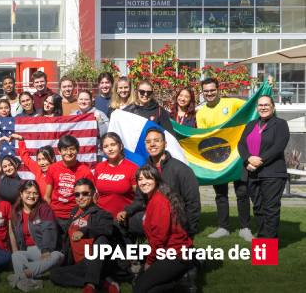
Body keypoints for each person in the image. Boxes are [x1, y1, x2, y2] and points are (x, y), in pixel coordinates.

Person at [118, 128, 200, 239]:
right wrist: (126, 211)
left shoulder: (182, 170)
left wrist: (188, 233)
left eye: (156, 140)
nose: (152, 144)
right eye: (148, 142)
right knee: (117, 225)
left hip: (175, 222)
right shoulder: (144, 170)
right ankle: (132, 255)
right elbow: (139, 199)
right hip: (151, 218)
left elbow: (193, 204)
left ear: (165, 144)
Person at [199, 77, 252, 240]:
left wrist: (266, 88)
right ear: (202, 92)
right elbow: (205, 137)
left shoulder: (232, 103)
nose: (209, 93)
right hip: (217, 158)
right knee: (220, 194)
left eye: (212, 90)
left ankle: (245, 228)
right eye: (206, 91)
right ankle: (224, 227)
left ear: (218, 90)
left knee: (242, 192)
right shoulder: (201, 113)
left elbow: (253, 107)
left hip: (237, 156)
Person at [132, 165, 196, 293]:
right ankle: (180, 278)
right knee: (139, 285)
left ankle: (182, 278)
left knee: (139, 290)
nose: (143, 182)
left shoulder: (159, 202)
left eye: (148, 178)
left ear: (156, 179)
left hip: (175, 256)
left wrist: (149, 263)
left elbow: (159, 238)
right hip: (165, 253)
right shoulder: (152, 198)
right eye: (140, 179)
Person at [49, 179, 120, 293]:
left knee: (102, 239)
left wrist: (85, 231)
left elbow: (107, 229)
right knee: (54, 274)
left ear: (93, 194)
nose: (80, 197)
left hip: (96, 262)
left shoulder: (103, 214)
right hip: (80, 265)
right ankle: (103, 284)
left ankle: (91, 285)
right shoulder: (75, 210)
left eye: (85, 193)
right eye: (77, 194)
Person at [238, 94, 290, 239]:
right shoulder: (251, 124)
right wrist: (249, 158)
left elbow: (278, 147)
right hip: (252, 173)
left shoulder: (280, 124)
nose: (263, 107)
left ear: (273, 107)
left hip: (272, 173)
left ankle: (267, 249)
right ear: (257, 108)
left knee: (270, 210)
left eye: (266, 104)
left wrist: (258, 161)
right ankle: (262, 243)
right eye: (260, 105)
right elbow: (241, 145)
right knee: (258, 209)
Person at [8, 180, 64, 292]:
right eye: (28, 192)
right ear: (21, 193)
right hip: (30, 251)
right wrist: (15, 250)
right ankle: (31, 283)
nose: (31, 196)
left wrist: (46, 250)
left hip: (50, 250)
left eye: (35, 193)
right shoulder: (16, 211)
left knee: (57, 256)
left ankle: (20, 276)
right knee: (16, 255)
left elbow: (49, 229)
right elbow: (12, 233)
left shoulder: (44, 208)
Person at [44, 135, 95, 233]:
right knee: (54, 246)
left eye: (72, 149)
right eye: (65, 149)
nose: (69, 152)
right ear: (59, 151)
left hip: (76, 216)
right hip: (55, 215)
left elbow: (93, 198)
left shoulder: (85, 171)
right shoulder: (52, 168)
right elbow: (47, 196)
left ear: (77, 150)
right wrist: (46, 214)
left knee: (74, 246)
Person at [94, 133, 139, 217]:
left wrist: (127, 212)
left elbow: (139, 198)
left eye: (113, 145)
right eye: (106, 146)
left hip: (124, 220)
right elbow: (96, 195)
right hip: (101, 220)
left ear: (121, 146)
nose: (110, 149)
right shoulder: (99, 167)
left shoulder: (133, 168)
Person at [0, 135, 22, 204]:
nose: (8, 168)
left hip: (12, 213)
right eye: (4, 166)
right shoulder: (1, 175)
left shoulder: (22, 183)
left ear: (16, 164)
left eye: (10, 165)